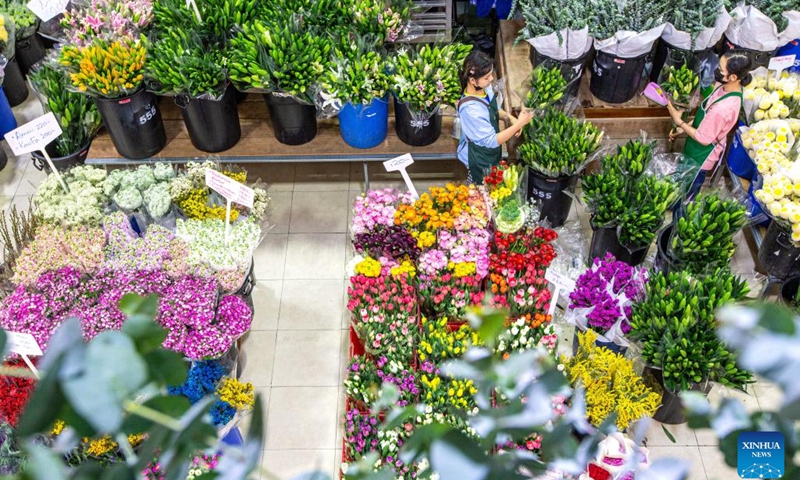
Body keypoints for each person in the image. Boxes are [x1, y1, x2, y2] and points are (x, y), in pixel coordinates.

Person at [667, 50, 753, 201]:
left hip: (701, 155)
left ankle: (678, 218)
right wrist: (683, 127)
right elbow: (706, 115)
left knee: (686, 195)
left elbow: (703, 137)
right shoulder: (723, 85)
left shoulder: (724, 109)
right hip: (694, 146)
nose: (717, 71)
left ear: (733, 77)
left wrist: (678, 120)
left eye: (721, 69)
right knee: (680, 184)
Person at [457, 50, 533, 184]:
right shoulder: (471, 110)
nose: (491, 79)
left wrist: (509, 118)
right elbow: (491, 140)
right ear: (472, 80)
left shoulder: (483, 88)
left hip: (490, 153)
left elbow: (494, 110)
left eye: (490, 74)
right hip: (478, 157)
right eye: (486, 77)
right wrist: (519, 124)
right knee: (480, 187)